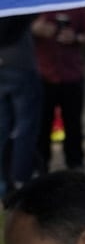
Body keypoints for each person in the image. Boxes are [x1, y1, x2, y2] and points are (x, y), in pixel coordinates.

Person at [30, 7, 85, 174]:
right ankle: (41, 167)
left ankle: (75, 164)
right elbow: (15, 33)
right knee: (42, 126)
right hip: (44, 75)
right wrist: (34, 28)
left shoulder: (77, 7)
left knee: (73, 124)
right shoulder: (35, 7)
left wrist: (75, 37)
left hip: (71, 74)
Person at [0, 14, 42, 195]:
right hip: (18, 62)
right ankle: (20, 180)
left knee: (3, 127)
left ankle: (5, 181)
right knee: (25, 127)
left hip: (9, 64)